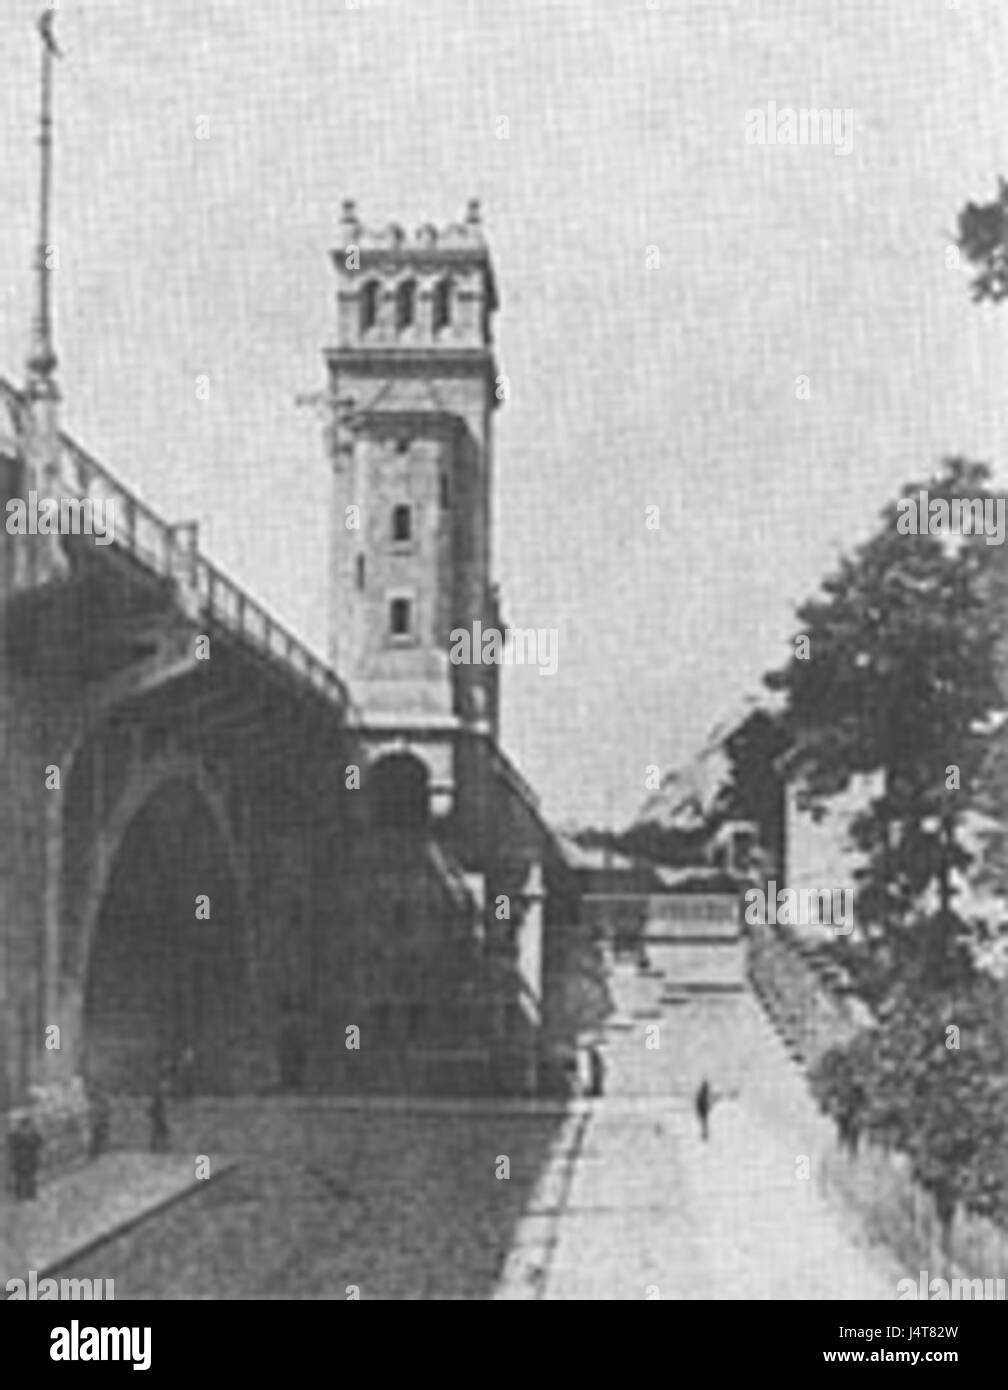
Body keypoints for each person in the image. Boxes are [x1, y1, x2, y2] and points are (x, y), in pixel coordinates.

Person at [9, 1112, 43, 1200]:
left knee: (31, 1178)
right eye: (27, 1125)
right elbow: (12, 1145)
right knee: (20, 1179)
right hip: (19, 1161)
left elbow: (40, 1142)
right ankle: (19, 1197)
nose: (28, 1127)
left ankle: (31, 1195)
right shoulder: (14, 1134)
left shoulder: (33, 1133)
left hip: (30, 1160)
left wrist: (30, 1140)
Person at [149, 1079, 169, 1153]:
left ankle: (157, 1147)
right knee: (159, 1132)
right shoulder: (159, 1096)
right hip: (158, 1117)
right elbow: (156, 1107)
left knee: (159, 1132)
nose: (166, 1089)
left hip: (159, 1117)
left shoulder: (160, 1096)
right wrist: (160, 1115)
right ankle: (157, 1148)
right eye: (165, 1087)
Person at [695, 1078, 712, 1142]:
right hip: (703, 1112)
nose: (707, 1089)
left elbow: (700, 1103)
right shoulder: (701, 1094)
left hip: (704, 1112)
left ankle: (704, 1136)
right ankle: (704, 1137)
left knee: (705, 1124)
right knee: (704, 1124)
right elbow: (700, 1103)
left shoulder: (702, 1094)